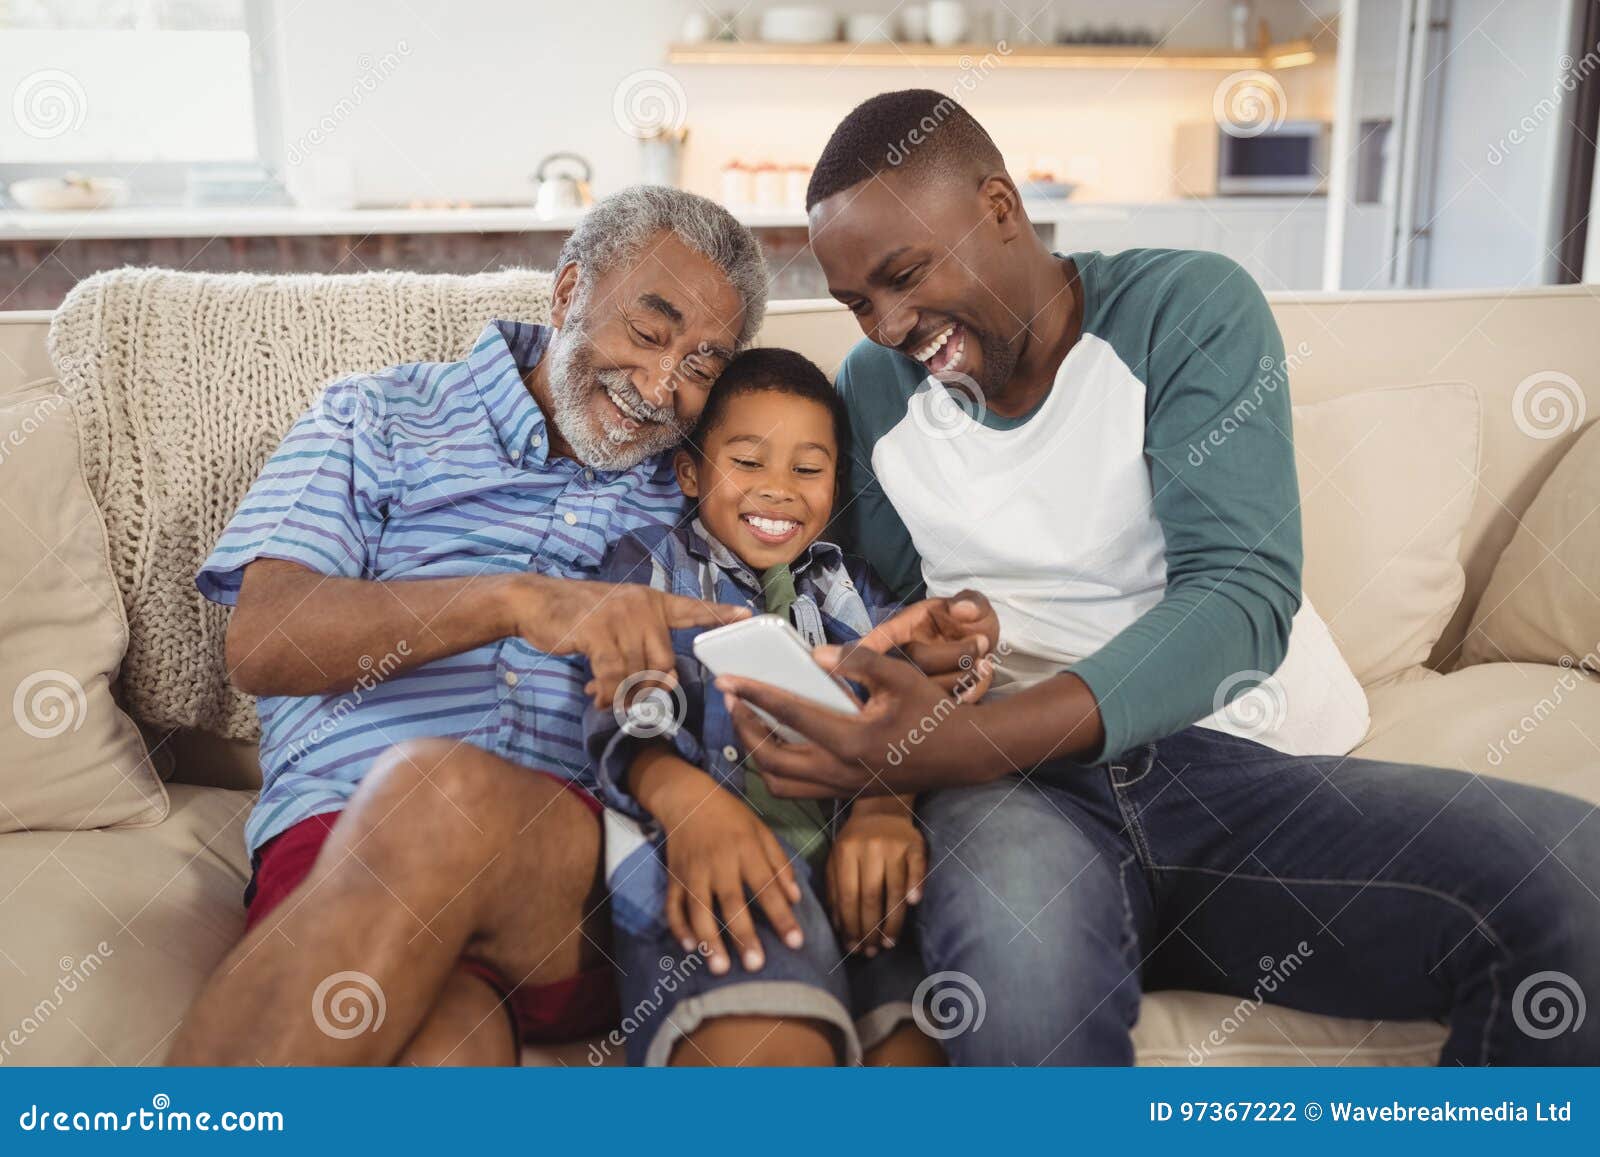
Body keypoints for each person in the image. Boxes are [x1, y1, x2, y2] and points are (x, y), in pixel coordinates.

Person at [716, 90, 1600, 1065]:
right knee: (1025, 1000)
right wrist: (901, 748)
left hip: (1248, 769)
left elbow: (1239, 597)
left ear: (1000, 207)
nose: (887, 325)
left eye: (904, 274)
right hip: (1018, 800)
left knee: (1578, 885)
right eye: (856, 302)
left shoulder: (1185, 307)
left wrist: (954, 746)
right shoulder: (874, 392)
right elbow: (879, 617)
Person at [167, 187, 768, 1065]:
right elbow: (265, 640)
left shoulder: (702, 486)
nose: (660, 387)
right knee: (452, 1044)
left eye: (703, 366)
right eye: (648, 332)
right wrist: (514, 600)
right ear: (568, 292)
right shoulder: (374, 417)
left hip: (567, 888)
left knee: (440, 794)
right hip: (339, 835)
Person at [585, 348, 945, 1066]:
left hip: (852, 872)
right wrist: (674, 791)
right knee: (769, 1029)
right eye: (748, 463)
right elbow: (626, 696)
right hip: (716, 863)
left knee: (913, 1041)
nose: (778, 490)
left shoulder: (849, 586)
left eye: (807, 470)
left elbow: (907, 699)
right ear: (691, 473)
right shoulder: (650, 565)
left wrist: (885, 804)